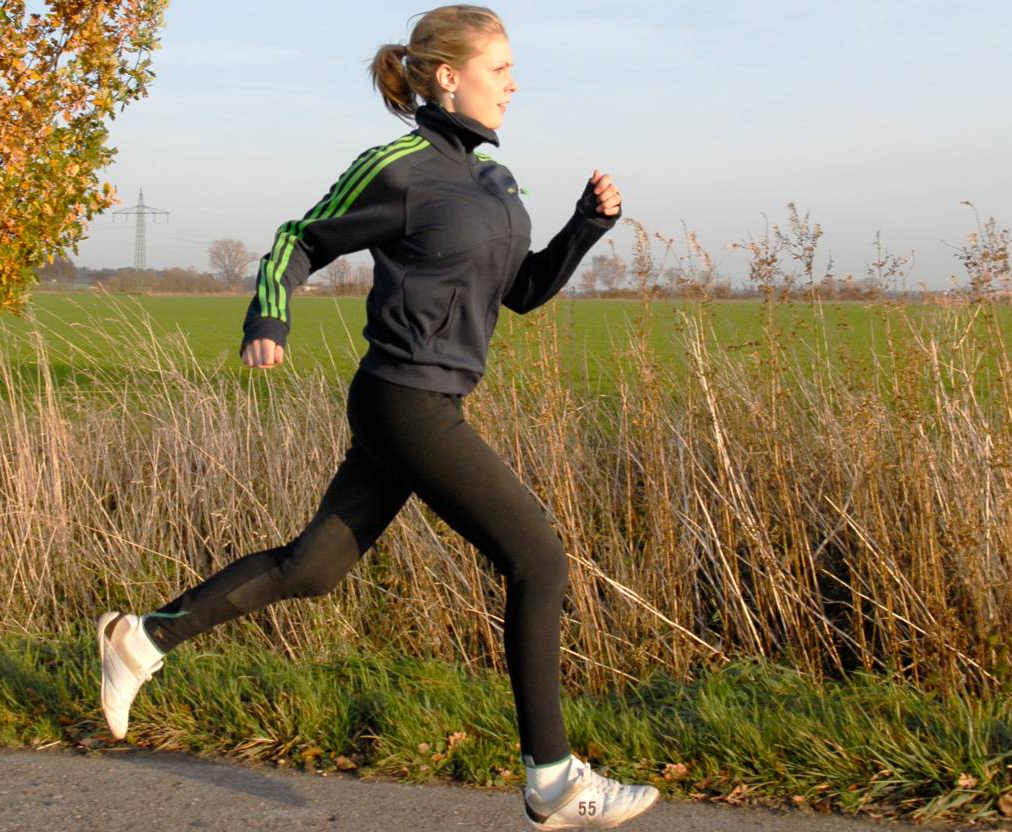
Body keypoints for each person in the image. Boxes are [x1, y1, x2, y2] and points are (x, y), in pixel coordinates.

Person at [97, 5, 658, 829]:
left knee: (311, 570)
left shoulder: (495, 184)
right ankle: (552, 778)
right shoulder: (398, 166)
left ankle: (138, 639)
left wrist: (586, 226)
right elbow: (298, 239)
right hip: (405, 398)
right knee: (537, 558)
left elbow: (525, 292)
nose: (512, 84)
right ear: (446, 75)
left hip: (430, 399)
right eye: (498, 68)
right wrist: (267, 320)